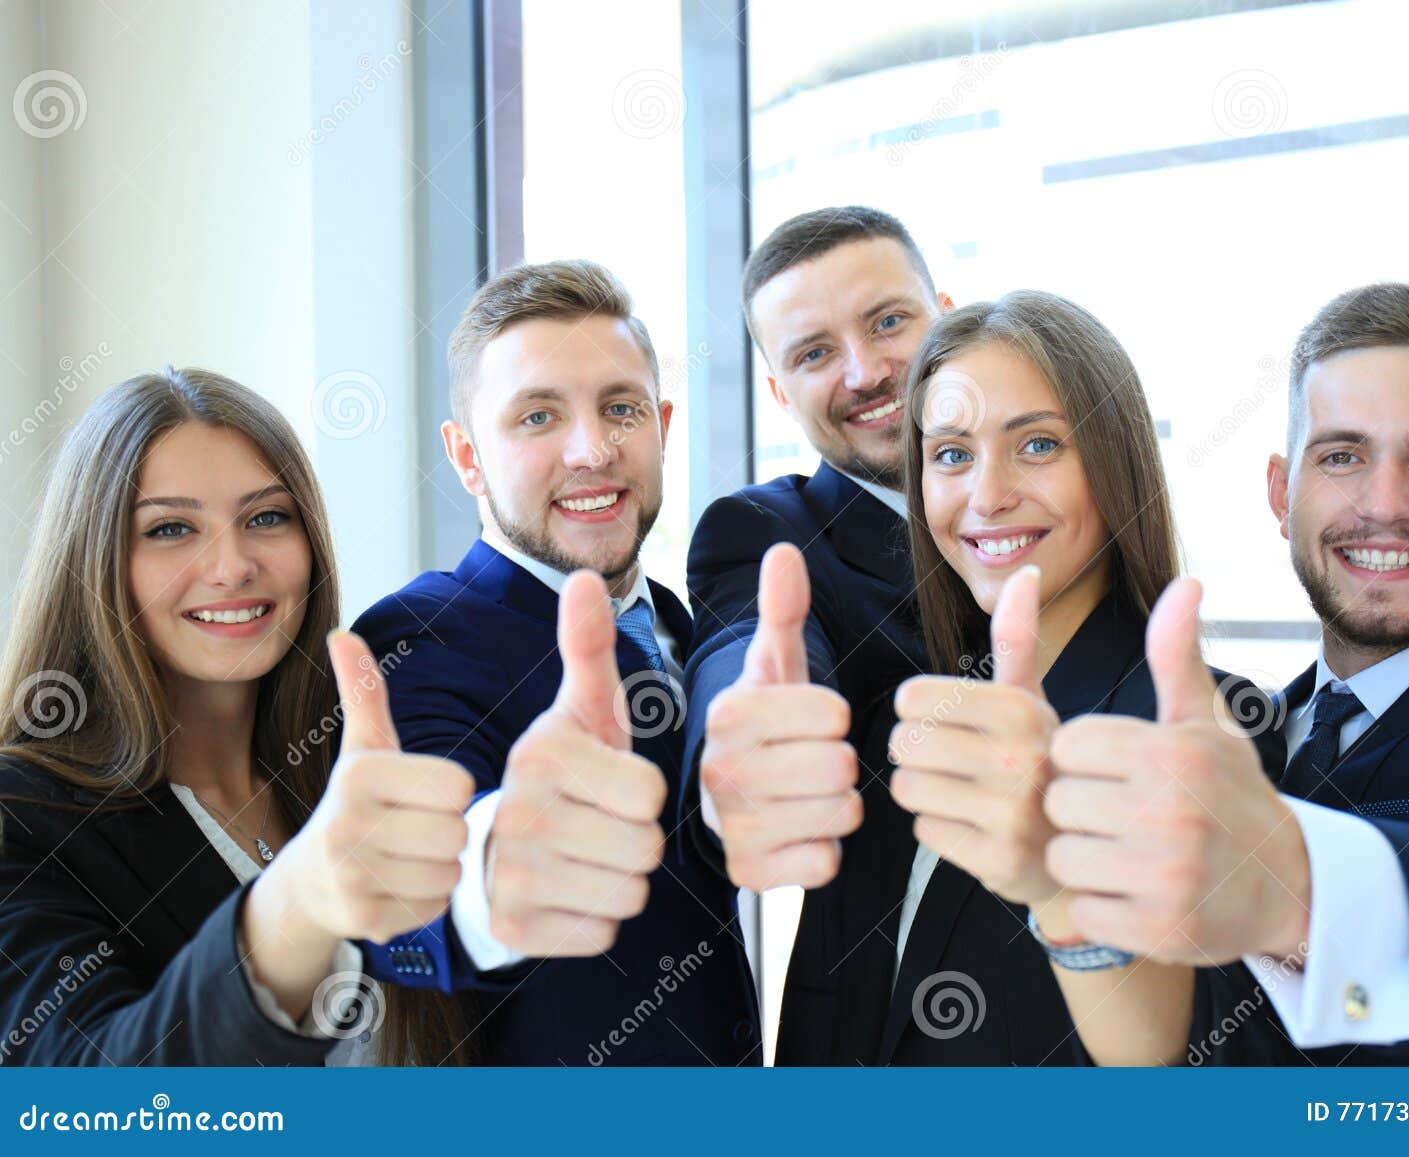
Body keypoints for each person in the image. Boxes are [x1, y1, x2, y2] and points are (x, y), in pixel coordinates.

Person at [1037, 283, 1409, 1064]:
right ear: (1282, 492)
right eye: (1342, 455)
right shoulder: (1243, 730)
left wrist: (1299, 884)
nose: (1384, 503)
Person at [824, 290, 1276, 1063]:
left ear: (1113, 464)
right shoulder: (899, 726)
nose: (987, 495)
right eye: (952, 454)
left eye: (1037, 445)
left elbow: (1205, 1066)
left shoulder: (1209, 730)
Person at [0, 368, 473, 1066]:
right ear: (94, 561)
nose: (231, 565)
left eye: (265, 517)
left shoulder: (356, 760)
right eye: (169, 528)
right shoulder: (22, 816)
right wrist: (297, 903)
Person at [354, 260, 757, 1065]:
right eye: (538, 417)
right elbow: (405, 892)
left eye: (621, 408)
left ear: (663, 427)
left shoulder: (679, 625)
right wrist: (487, 864)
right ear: (468, 458)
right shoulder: (419, 635)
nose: (593, 450)